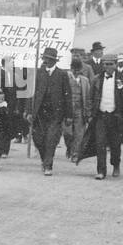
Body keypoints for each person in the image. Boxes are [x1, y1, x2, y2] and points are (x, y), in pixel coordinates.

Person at [90, 53, 123, 180]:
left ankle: (116, 165)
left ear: (115, 65)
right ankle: (101, 171)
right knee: (100, 143)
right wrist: (89, 114)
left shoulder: (122, 79)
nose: (108, 66)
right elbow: (90, 98)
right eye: (105, 64)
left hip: (116, 116)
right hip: (101, 116)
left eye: (111, 64)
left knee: (115, 144)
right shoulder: (97, 79)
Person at [30, 46, 72, 175]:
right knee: (38, 139)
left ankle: (48, 165)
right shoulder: (38, 73)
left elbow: (67, 96)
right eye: (44, 58)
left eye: (48, 59)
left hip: (56, 113)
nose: (45, 61)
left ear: (54, 60)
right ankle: (44, 160)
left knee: (51, 139)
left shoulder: (62, 75)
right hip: (39, 113)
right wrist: (28, 111)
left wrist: (69, 115)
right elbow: (31, 93)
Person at [66, 56, 93, 162]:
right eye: (75, 70)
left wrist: (88, 111)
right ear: (71, 68)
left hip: (80, 110)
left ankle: (75, 153)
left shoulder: (85, 80)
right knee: (67, 133)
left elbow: (88, 97)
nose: (76, 72)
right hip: (67, 110)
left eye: (78, 70)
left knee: (79, 133)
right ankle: (70, 147)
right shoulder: (66, 77)